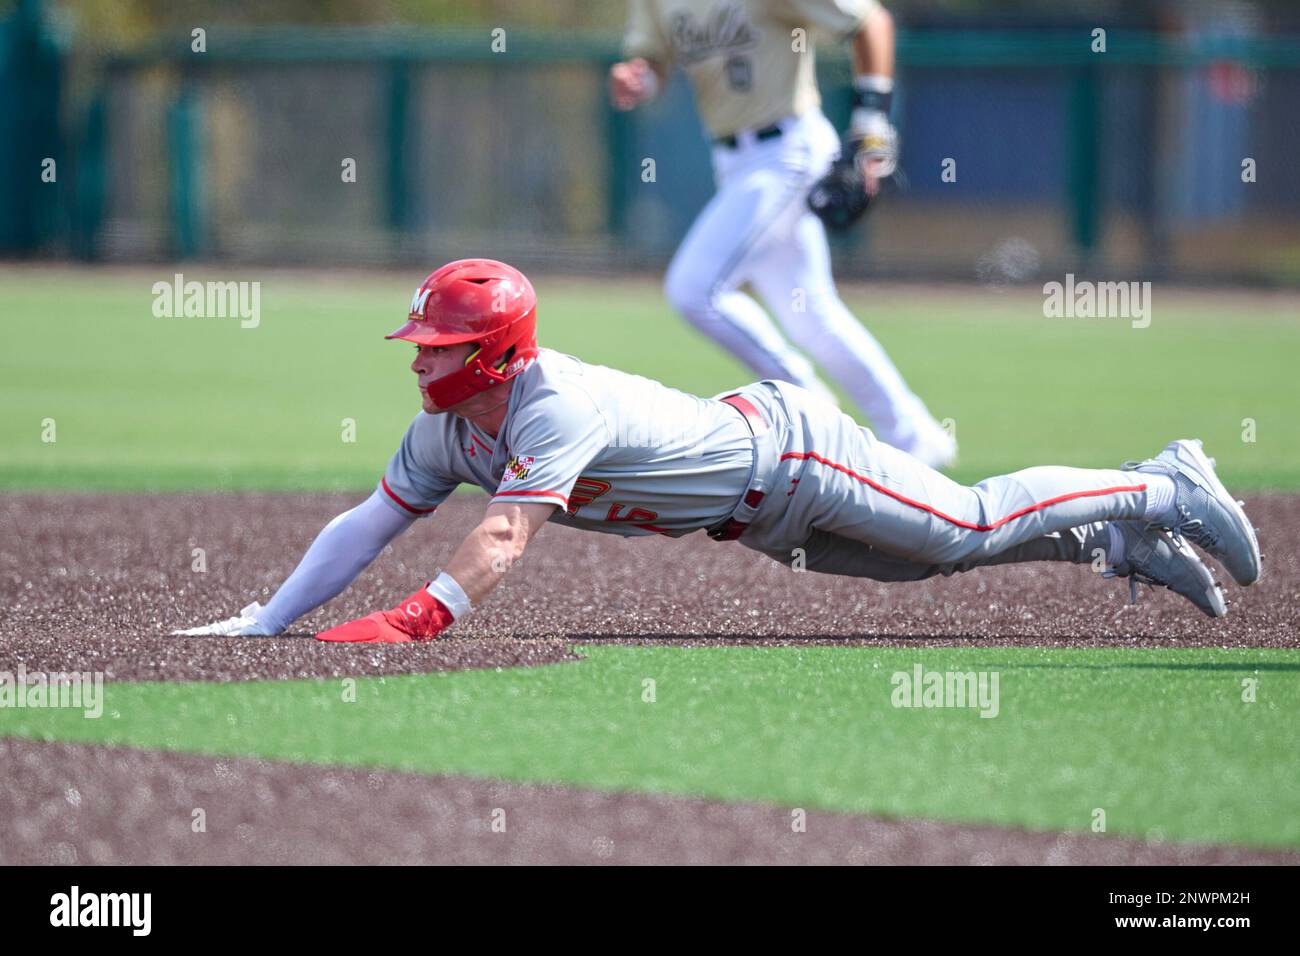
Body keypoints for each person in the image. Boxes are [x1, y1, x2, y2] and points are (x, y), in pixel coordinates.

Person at [175, 260, 1259, 642]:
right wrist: (271, 616)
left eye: (444, 344)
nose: (424, 360)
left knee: (967, 518)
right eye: (422, 342)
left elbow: (503, 534)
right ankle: (1113, 543)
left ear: (497, 351)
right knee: (942, 558)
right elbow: (369, 520)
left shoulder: (548, 404)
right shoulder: (447, 430)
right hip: (755, 515)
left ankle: (1162, 477)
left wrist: (418, 619)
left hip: (793, 452)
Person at [608, 0, 957, 467]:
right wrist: (639, 79)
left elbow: (871, 21)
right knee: (812, 313)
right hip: (734, 161)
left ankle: (813, 408)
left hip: (788, 150)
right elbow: (654, 62)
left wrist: (871, 121)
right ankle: (917, 440)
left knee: (695, 290)